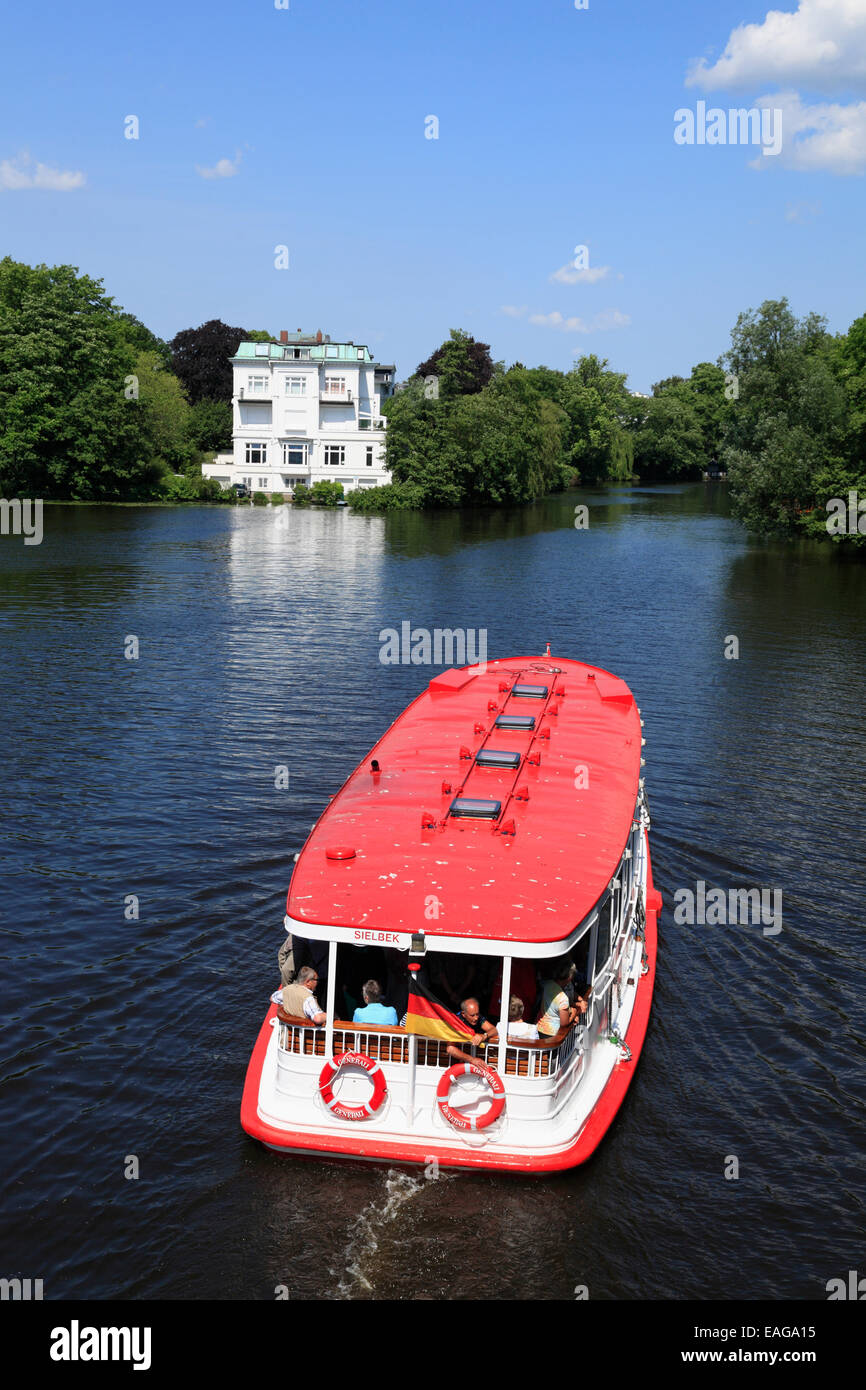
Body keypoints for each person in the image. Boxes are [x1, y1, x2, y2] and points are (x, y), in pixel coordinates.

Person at [536, 961, 587, 1039]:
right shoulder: (563, 999)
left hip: (539, 1029)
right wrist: (574, 1013)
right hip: (552, 1034)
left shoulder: (547, 984)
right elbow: (564, 1023)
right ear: (569, 978)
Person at [446, 997, 498, 1065]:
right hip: (454, 1062)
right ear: (463, 1014)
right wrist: (472, 1060)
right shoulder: (456, 1022)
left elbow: (495, 1029)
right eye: (472, 1015)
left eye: (477, 1014)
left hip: (473, 1057)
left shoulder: (478, 1017)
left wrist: (484, 1035)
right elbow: (450, 1049)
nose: (476, 1018)